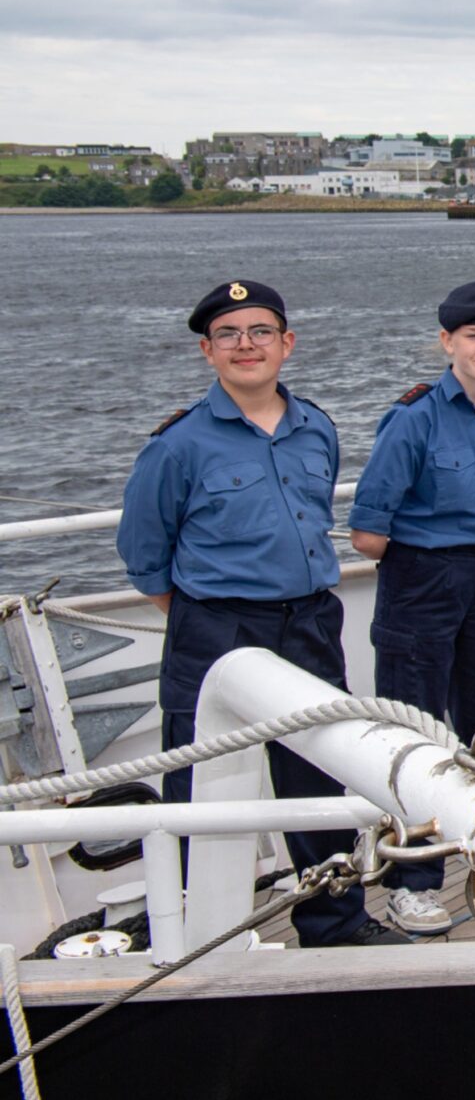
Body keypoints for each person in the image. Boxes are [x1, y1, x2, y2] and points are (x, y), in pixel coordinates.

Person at [117, 280, 404, 946]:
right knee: (206, 784)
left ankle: (335, 922)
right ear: (206, 351)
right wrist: (203, 612)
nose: (246, 345)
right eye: (229, 334)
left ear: (287, 343)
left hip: (306, 624)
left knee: (321, 775)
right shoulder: (178, 445)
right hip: (216, 628)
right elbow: (143, 552)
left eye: (260, 332)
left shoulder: (316, 429)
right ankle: (205, 933)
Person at [348, 279, 475, 934]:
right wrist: (429, 552)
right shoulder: (414, 418)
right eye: (473, 337)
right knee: (417, 735)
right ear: (446, 342)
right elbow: (368, 529)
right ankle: (414, 882)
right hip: (420, 580)